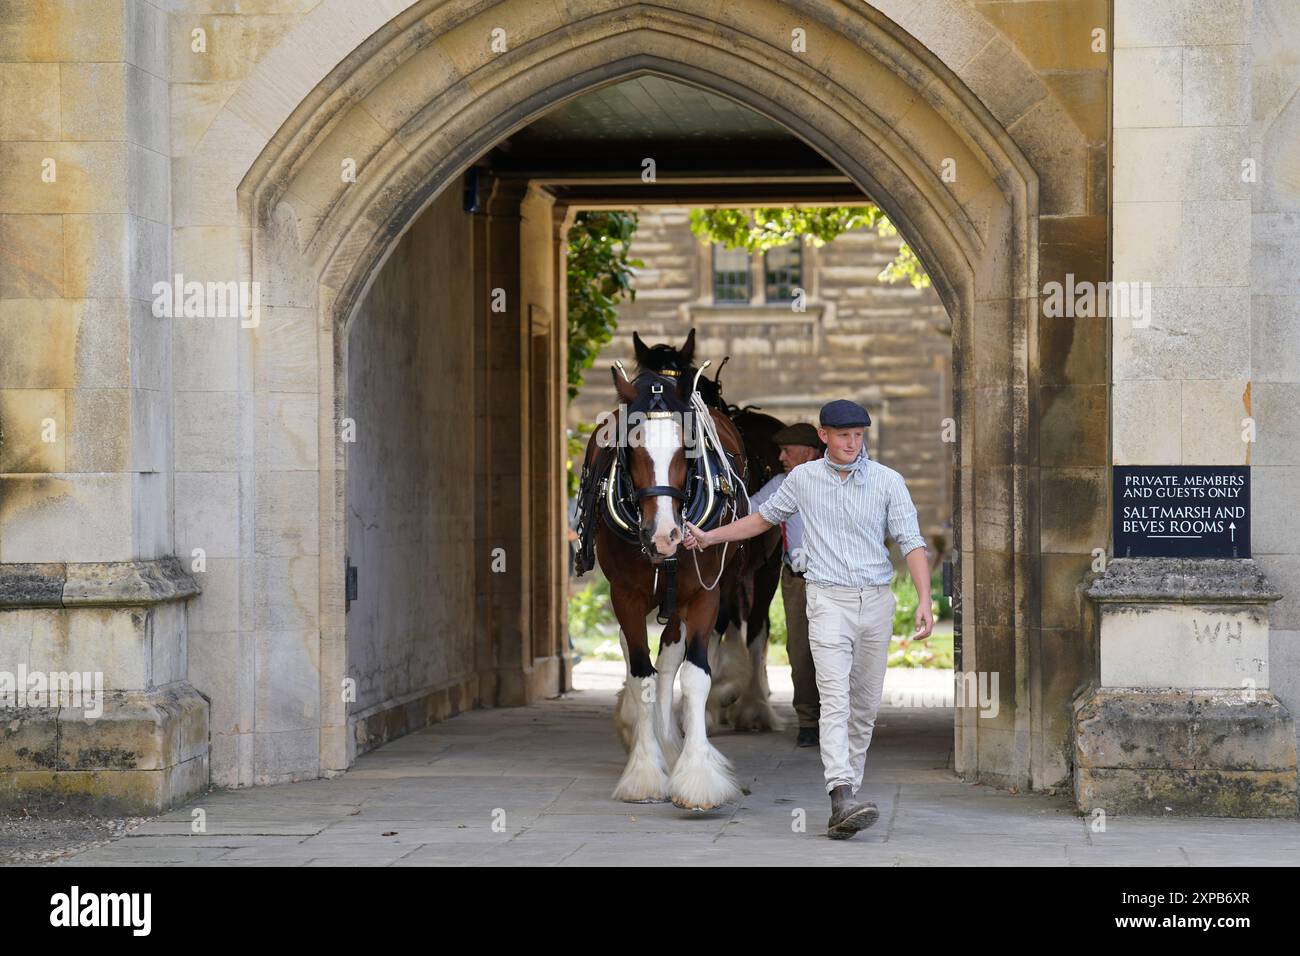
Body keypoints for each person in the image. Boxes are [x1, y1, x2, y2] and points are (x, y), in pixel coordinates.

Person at [684, 399, 932, 840]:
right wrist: (709, 537)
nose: (852, 443)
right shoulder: (801, 480)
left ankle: (847, 794)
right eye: (843, 436)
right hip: (826, 600)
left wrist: (925, 600)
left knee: (865, 707)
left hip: (876, 602)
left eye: (858, 435)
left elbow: (911, 542)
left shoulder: (887, 482)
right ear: (823, 436)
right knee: (834, 698)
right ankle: (840, 794)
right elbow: (760, 519)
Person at [748, 423, 825, 749]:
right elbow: (748, 510)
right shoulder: (782, 483)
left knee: (845, 654)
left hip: (842, 582)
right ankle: (808, 721)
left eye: (787, 451)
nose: (779, 457)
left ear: (808, 453)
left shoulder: (839, 479)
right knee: (801, 653)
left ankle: (843, 722)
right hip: (797, 582)